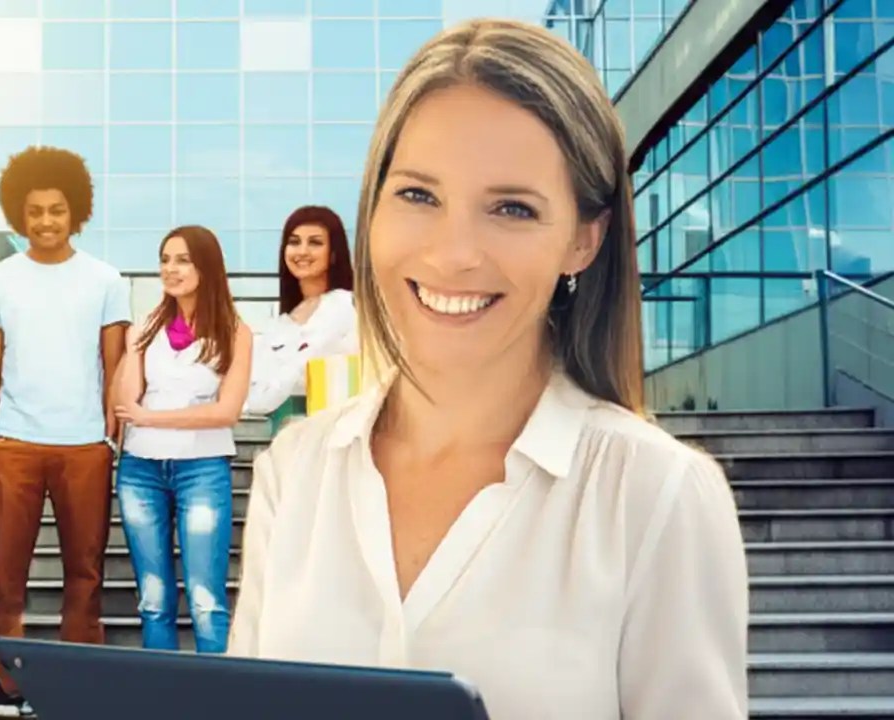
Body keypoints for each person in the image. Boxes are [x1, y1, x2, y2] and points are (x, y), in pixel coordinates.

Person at [227, 18, 749, 719]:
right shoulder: (295, 471)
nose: (453, 254)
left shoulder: (658, 496)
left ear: (584, 240)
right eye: (418, 195)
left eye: (511, 208)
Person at [0, 145, 131, 717]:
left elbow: (114, 366)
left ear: (76, 211)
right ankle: (5, 685)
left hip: (85, 444)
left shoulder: (106, 280)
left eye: (56, 209)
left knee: (84, 572)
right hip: (14, 444)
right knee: (5, 572)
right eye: (35, 210)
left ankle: (77, 684)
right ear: (20, 212)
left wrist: (109, 439)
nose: (45, 220)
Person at [112, 226, 253, 654]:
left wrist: (151, 417)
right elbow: (125, 403)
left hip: (202, 471)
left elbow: (225, 412)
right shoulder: (145, 328)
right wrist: (131, 348)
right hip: (141, 470)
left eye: (182, 260)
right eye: (165, 259)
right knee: (153, 600)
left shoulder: (236, 331)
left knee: (206, 599)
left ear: (206, 267)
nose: (170, 270)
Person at [243, 205, 356, 431]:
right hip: (289, 437)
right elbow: (256, 392)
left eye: (315, 243)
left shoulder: (344, 305)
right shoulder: (283, 321)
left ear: (334, 253)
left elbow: (278, 385)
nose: (302, 251)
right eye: (294, 242)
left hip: (335, 434)